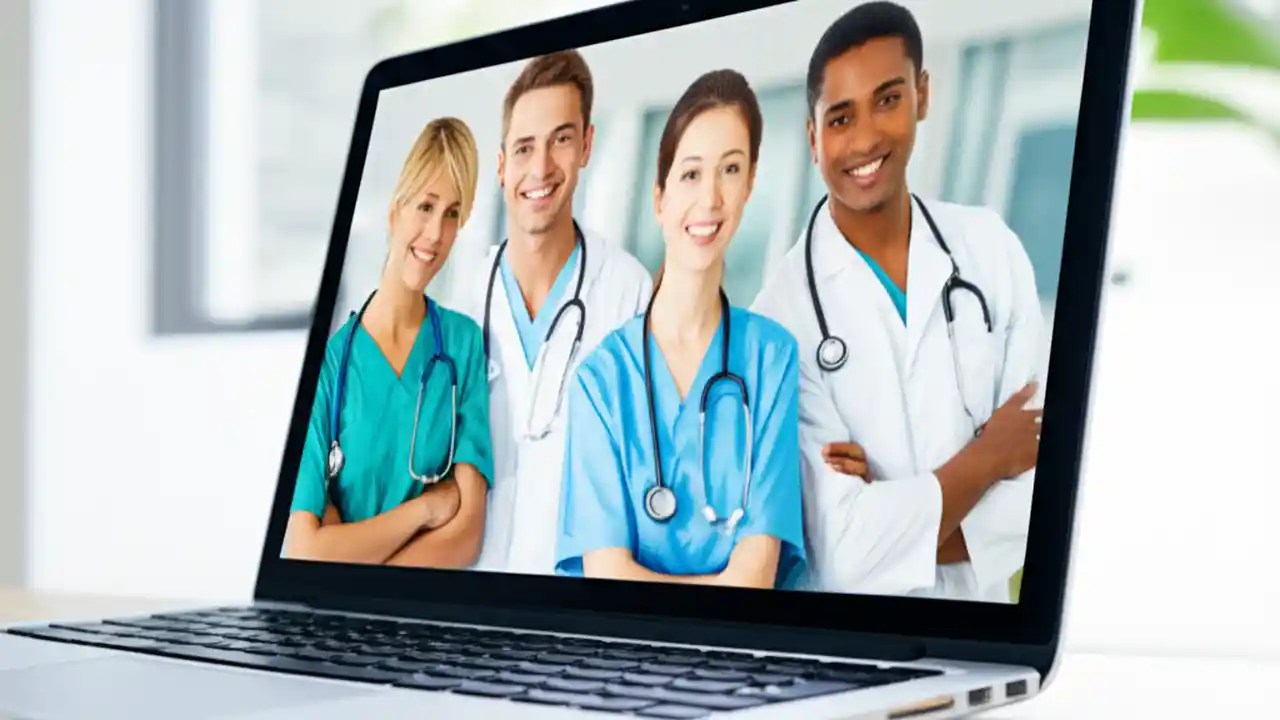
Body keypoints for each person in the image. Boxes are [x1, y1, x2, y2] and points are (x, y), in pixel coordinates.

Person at [752, 2, 1042, 601]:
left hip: (982, 640)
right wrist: (989, 456)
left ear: (923, 95)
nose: (865, 139)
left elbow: (1040, 501)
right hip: (847, 657)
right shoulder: (779, 319)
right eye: (839, 118)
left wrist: (892, 510)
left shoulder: (990, 250)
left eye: (888, 99)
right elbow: (844, 555)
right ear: (812, 137)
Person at [556, 70, 806, 589]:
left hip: (744, 658)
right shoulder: (602, 379)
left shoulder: (772, 359)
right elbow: (606, 579)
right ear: (660, 196)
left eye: (730, 170)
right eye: (691, 174)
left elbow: (755, 580)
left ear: (751, 183)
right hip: (623, 658)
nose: (711, 199)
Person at [459, 50, 653, 575]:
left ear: (587, 145)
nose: (541, 168)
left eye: (561, 140)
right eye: (524, 148)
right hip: (471, 605)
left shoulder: (626, 291)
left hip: (578, 605)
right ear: (501, 166)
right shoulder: (465, 296)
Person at [285, 118, 493, 568]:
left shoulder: (462, 344)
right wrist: (424, 510)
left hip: (428, 623)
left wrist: (356, 559)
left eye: (452, 214)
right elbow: (306, 549)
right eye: (426, 206)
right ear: (395, 212)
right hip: (340, 627)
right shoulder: (330, 364)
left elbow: (466, 535)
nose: (436, 234)